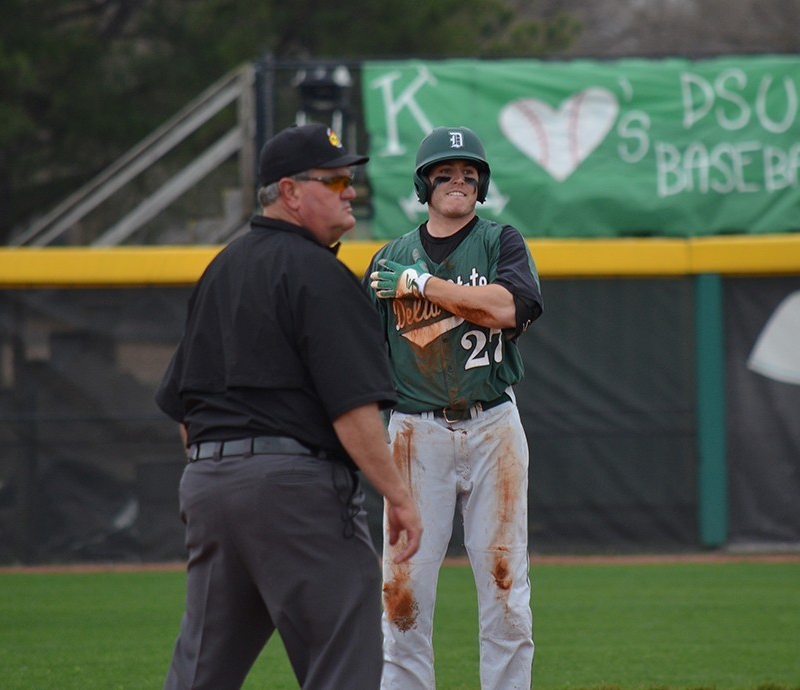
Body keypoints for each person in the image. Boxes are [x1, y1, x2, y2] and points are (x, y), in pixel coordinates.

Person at [156, 123, 423, 690]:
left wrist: (223, 479)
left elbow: (183, 406)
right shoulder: (320, 274)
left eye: (350, 178)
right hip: (294, 494)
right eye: (333, 179)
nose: (350, 189)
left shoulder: (219, 270)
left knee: (202, 669)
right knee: (342, 659)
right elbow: (353, 412)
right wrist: (398, 496)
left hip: (208, 485)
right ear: (290, 191)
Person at [365, 126, 543, 690]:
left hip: (492, 422)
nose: (458, 181)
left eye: (469, 173)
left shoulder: (500, 242)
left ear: (482, 185)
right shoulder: (387, 258)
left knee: (506, 586)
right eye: (445, 172)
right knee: (403, 590)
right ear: (424, 184)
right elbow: (363, 360)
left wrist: (420, 284)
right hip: (414, 432)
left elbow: (511, 307)